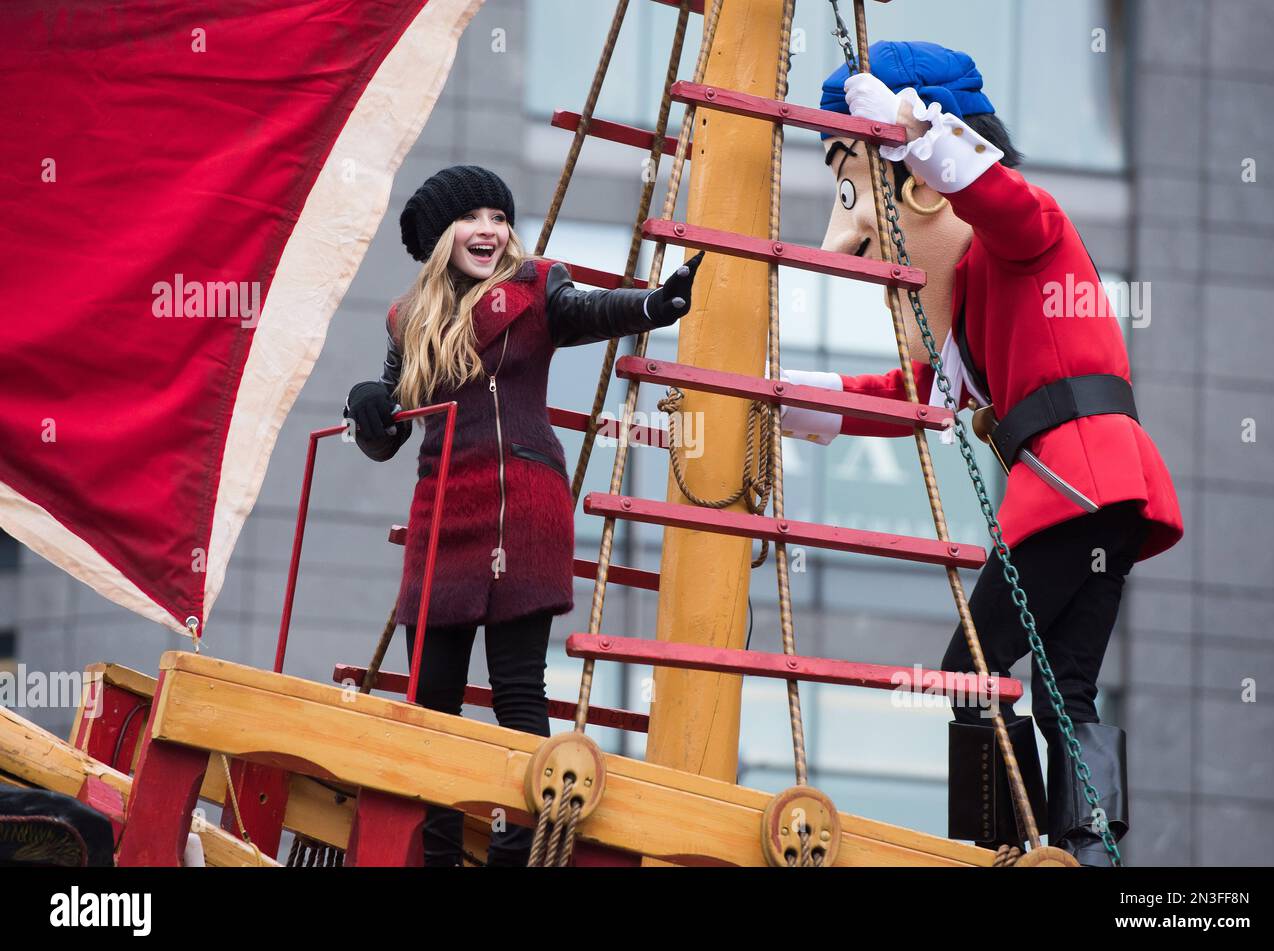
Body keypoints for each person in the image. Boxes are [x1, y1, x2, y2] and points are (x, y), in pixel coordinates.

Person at [779, 44, 1183, 864]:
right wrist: (793, 396)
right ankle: (1087, 850)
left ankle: (1012, 841)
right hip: (1107, 489)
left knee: (969, 665)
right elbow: (915, 396)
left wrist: (914, 131)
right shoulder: (977, 303)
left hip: (1074, 481)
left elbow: (998, 200)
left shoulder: (1031, 237)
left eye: (856, 189)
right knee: (1063, 688)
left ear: (925, 181)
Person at [345, 165, 703, 865]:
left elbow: (589, 311)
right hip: (442, 507)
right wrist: (366, 406)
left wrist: (655, 306)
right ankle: (438, 857)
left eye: (499, 216)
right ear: (443, 235)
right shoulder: (407, 316)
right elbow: (386, 434)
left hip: (522, 506)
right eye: (473, 218)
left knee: (516, 689)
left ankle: (520, 855)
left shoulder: (538, 287)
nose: (489, 230)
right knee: (431, 701)